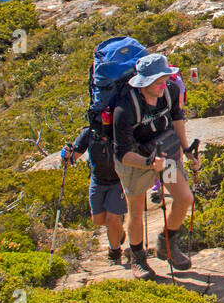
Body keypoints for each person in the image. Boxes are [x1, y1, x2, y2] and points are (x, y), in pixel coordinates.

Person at [111, 52, 194, 279]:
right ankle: (137, 258)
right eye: (156, 82)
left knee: (185, 198)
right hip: (134, 159)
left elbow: (177, 116)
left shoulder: (170, 91)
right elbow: (121, 152)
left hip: (163, 150)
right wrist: (148, 163)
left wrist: (186, 149)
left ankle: (166, 243)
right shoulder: (125, 109)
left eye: (164, 80)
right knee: (137, 210)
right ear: (143, 83)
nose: (161, 86)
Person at [62, 117, 127, 265]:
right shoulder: (89, 133)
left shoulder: (119, 131)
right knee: (98, 220)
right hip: (97, 180)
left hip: (117, 181)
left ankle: (114, 251)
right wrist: (67, 156)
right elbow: (73, 157)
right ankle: (119, 231)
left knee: (112, 219)